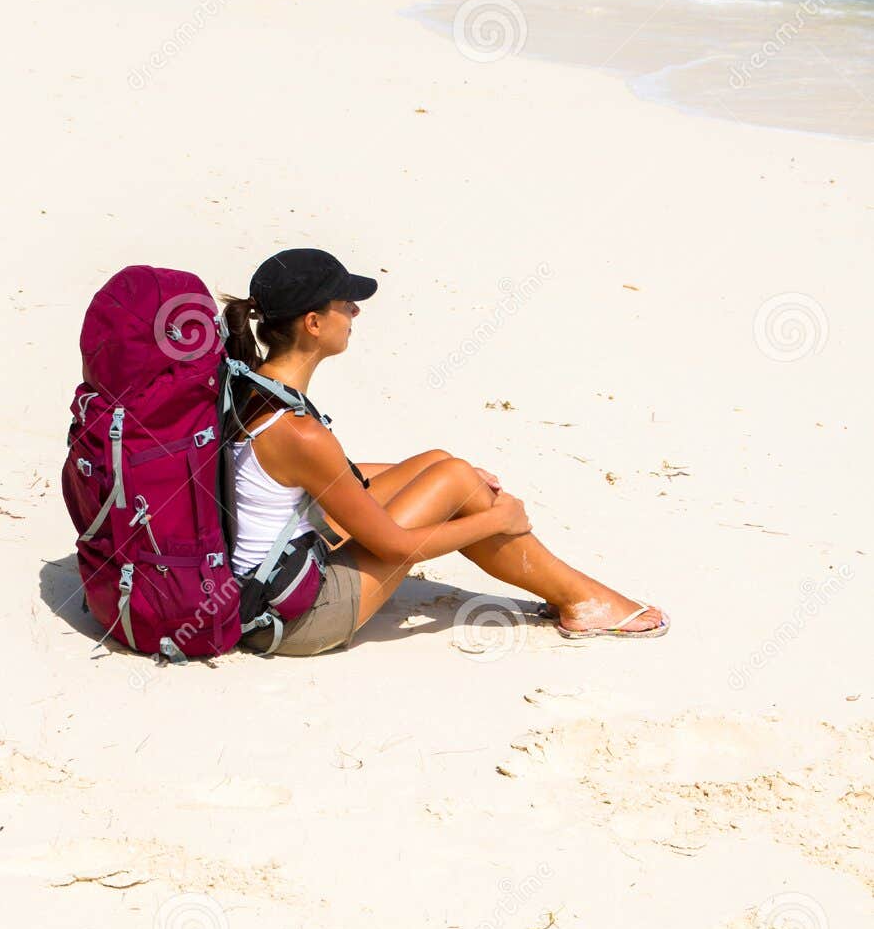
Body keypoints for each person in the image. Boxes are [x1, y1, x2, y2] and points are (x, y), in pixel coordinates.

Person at [223, 248, 668, 658]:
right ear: (313, 323)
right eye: (345, 303)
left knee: (440, 463)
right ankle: (583, 601)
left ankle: (574, 595)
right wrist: (495, 518)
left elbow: (321, 477)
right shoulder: (299, 433)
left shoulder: (251, 386)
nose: (355, 311)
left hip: (270, 576)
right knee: (453, 480)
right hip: (297, 616)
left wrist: (436, 479)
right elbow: (395, 547)